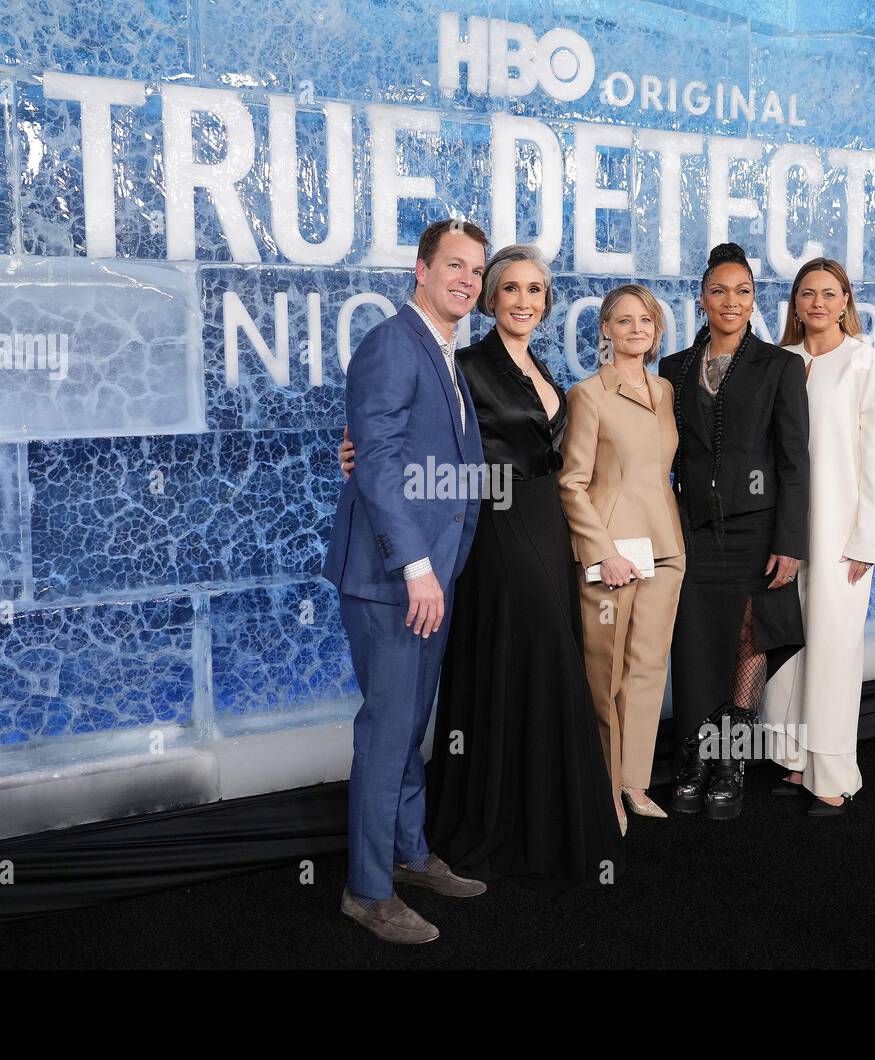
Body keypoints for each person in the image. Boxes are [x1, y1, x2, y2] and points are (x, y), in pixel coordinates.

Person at [340, 245, 624, 894]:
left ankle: (527, 828)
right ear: (489, 298)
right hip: (497, 535)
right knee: (497, 680)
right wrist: (355, 447)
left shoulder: (541, 368)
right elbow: (397, 436)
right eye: (509, 288)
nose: (523, 300)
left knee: (531, 680)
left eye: (535, 290)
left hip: (544, 535)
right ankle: (400, 872)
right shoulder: (459, 362)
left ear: (547, 302)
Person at [322, 218, 491, 945]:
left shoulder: (445, 351)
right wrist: (417, 567)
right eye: (453, 266)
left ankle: (410, 853)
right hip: (396, 581)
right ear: (420, 270)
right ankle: (367, 890)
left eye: (475, 271)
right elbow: (382, 464)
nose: (466, 280)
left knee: (410, 728)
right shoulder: (394, 342)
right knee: (386, 733)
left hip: (432, 574)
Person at [659, 242, 810, 821]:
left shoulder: (779, 367)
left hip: (757, 534)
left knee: (749, 646)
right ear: (701, 298)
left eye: (743, 290)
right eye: (719, 290)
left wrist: (790, 542)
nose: (731, 300)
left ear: (755, 300)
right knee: (695, 648)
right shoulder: (672, 369)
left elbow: (794, 461)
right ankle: (694, 759)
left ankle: (732, 762)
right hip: (694, 534)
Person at [761, 257, 875, 816]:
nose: (818, 302)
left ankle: (833, 776)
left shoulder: (866, 365)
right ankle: (795, 760)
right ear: (794, 304)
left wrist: (866, 539)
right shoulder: (779, 362)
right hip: (783, 532)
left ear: (846, 302)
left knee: (834, 650)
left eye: (829, 293)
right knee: (789, 645)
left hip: (841, 534)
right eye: (807, 293)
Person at [558, 284, 684, 833]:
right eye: (625, 321)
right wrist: (601, 551)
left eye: (646, 321)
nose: (637, 330)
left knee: (649, 670)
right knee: (603, 676)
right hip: (612, 554)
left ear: (656, 331)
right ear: (605, 329)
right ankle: (602, 788)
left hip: (666, 547)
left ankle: (635, 782)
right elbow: (571, 483)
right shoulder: (588, 394)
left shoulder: (666, 390)